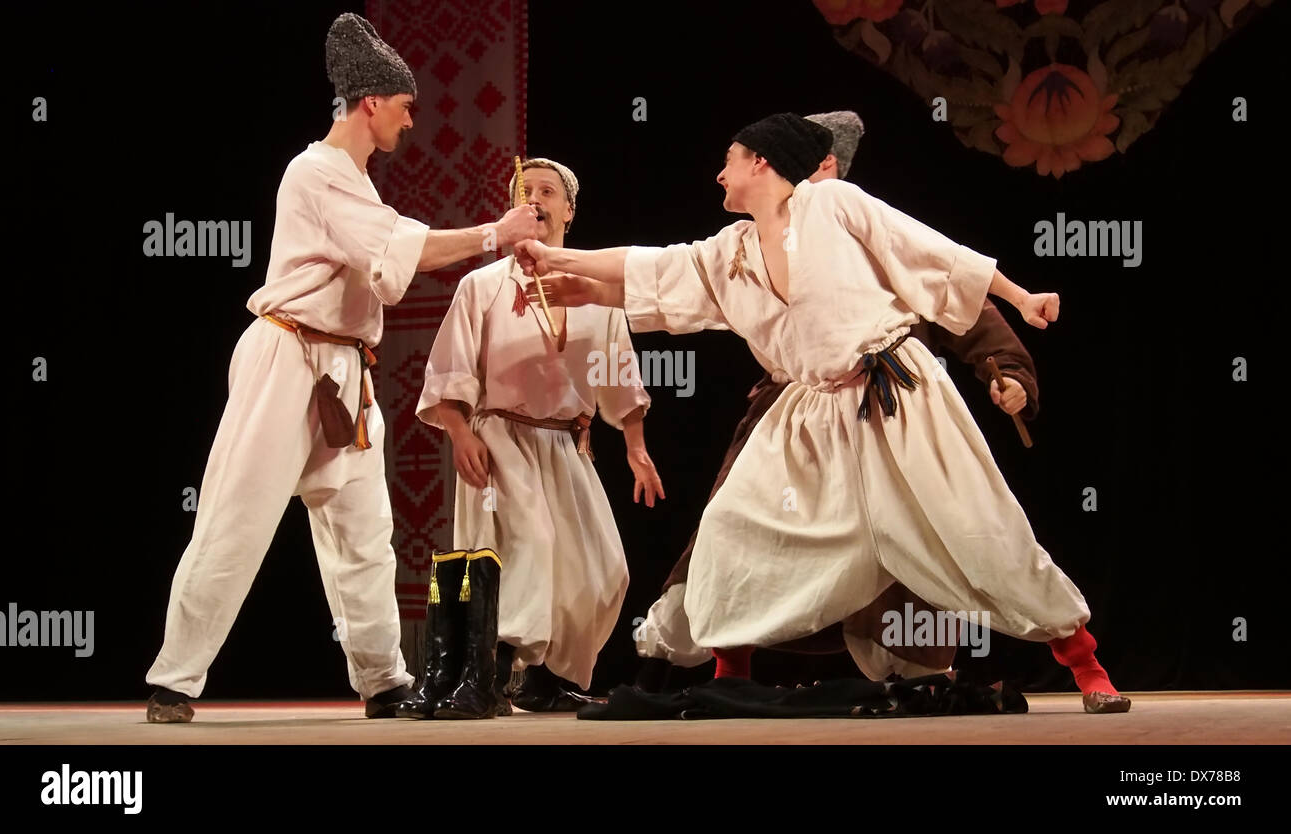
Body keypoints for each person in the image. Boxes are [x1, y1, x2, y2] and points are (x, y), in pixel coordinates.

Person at [516, 113, 1129, 713]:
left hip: (897, 396)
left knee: (977, 529)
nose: (718, 175)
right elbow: (648, 265)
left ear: (761, 162)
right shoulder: (730, 250)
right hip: (811, 411)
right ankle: (733, 676)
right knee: (734, 522)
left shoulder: (834, 204)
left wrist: (1022, 298)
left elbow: (933, 254)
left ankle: (1086, 666)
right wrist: (560, 261)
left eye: (728, 161)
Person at [145, 12, 540, 723]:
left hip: (343, 370)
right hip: (287, 359)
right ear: (370, 103)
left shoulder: (354, 182)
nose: (412, 122)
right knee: (236, 518)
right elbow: (399, 250)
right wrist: (494, 233)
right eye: (405, 107)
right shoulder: (317, 172)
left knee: (363, 532)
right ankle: (175, 679)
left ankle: (383, 678)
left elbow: (386, 262)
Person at [634, 111, 1042, 688]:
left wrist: (1010, 372)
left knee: (916, 531)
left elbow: (954, 281)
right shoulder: (749, 241)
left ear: (826, 167)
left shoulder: (853, 218)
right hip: (793, 413)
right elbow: (679, 280)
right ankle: (725, 660)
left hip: (882, 404)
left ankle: (915, 668)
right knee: (742, 521)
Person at [417, 157, 664, 716]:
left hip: (564, 442)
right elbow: (449, 369)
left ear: (569, 211)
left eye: (548, 191)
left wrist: (635, 446)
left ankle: (550, 678)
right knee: (529, 547)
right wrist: (459, 432)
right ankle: (487, 675)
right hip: (501, 435)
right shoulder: (481, 286)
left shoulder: (594, 291)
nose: (535, 199)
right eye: (525, 192)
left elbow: (618, 374)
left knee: (603, 569)